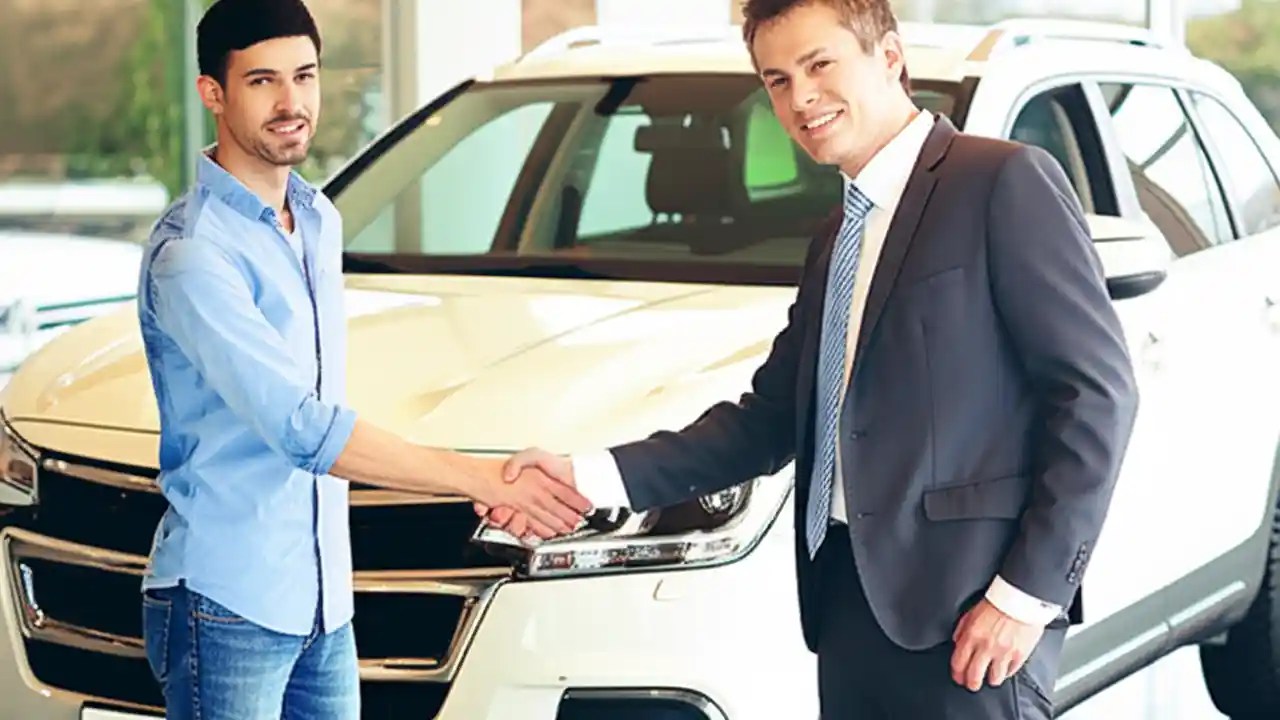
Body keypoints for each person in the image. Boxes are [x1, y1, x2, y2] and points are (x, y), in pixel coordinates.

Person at [483, 0, 1139, 717]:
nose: (800, 98)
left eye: (820, 64)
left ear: (889, 57)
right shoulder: (839, 233)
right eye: (777, 79)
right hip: (848, 600)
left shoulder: (1000, 181)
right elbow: (766, 421)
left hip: (967, 609)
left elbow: (1095, 395)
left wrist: (1026, 595)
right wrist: (584, 476)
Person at [135, 1, 591, 717]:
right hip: (229, 602)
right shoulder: (193, 255)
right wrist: (481, 477)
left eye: (305, 76)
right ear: (212, 94)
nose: (292, 103)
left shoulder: (317, 219)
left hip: (324, 602)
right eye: (262, 82)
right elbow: (301, 428)